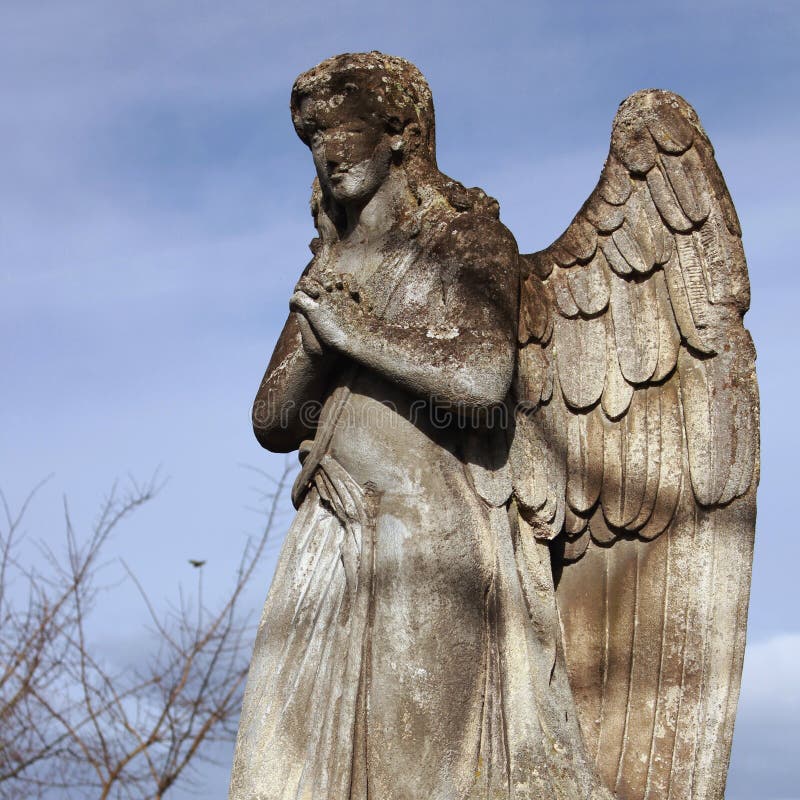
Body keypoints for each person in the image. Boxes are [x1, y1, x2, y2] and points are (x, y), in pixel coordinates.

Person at [229, 52, 609, 800]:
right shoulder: (330, 263)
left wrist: (355, 335)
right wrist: (316, 346)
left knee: (416, 770)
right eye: (314, 137)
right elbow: (272, 420)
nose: (328, 151)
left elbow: (481, 382)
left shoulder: (465, 243)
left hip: (427, 537)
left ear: (399, 134)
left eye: (344, 128)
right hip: (329, 532)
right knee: (283, 770)